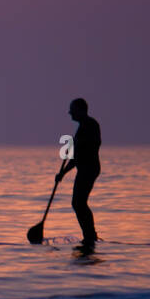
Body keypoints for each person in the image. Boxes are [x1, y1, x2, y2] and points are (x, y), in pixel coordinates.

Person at [56, 98, 100, 245]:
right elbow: (74, 158)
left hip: (90, 169)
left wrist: (78, 144)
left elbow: (91, 146)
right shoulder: (81, 127)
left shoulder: (91, 125)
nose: (70, 114)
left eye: (72, 110)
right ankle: (89, 235)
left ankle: (90, 235)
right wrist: (62, 173)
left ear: (80, 110)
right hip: (83, 169)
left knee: (79, 202)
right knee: (77, 203)